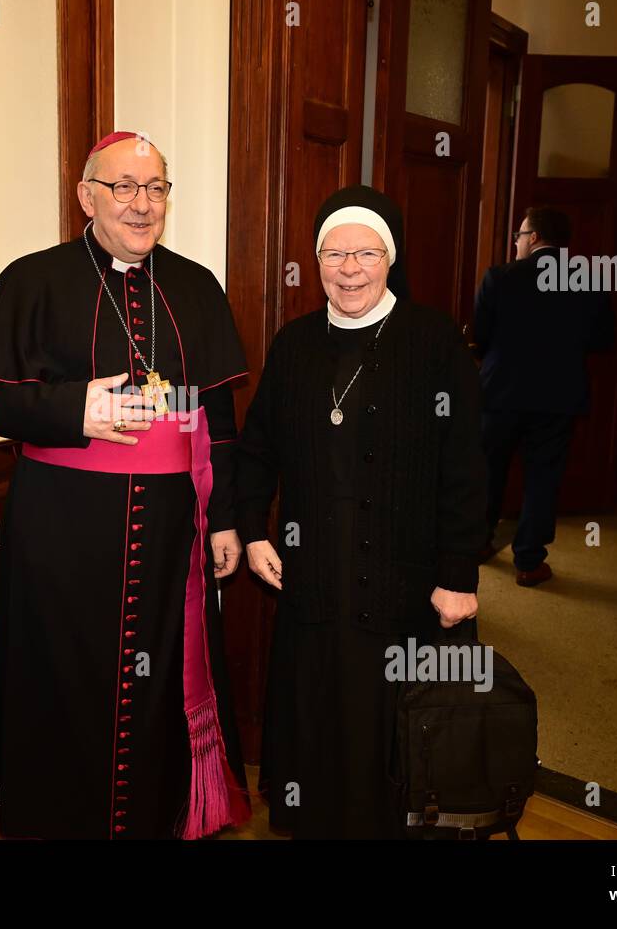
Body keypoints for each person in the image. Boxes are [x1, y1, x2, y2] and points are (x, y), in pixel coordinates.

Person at [0, 131, 250, 839]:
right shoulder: (34, 279)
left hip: (173, 532)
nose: (142, 205)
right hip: (61, 533)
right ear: (87, 196)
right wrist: (73, 409)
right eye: (123, 187)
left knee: (161, 686)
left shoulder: (196, 286)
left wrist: (225, 518)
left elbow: (218, 420)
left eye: (156, 188)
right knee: (65, 687)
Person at [235, 185, 486, 838]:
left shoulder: (433, 340)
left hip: (404, 575)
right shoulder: (295, 344)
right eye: (333, 253)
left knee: (389, 720)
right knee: (319, 709)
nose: (348, 268)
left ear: (390, 259)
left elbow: (466, 463)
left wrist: (459, 574)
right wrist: (252, 529)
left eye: (365, 253)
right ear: (316, 261)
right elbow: (257, 448)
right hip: (315, 571)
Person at [473, 207, 615, 586]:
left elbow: (480, 337)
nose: (517, 242)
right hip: (559, 392)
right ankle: (529, 561)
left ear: (532, 237)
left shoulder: (499, 276)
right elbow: (603, 341)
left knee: (488, 470)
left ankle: (479, 543)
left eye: (519, 235)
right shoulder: (590, 280)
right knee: (543, 477)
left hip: (500, 391)